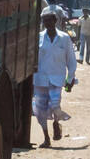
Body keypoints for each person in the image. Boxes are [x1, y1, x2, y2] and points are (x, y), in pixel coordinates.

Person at [32, 8, 77, 148]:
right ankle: (46, 137)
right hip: (40, 79)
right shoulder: (38, 37)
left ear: (55, 21)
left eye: (49, 21)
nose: (47, 23)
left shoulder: (64, 38)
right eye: (44, 21)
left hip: (57, 79)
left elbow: (71, 60)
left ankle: (56, 123)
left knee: (55, 105)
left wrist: (70, 80)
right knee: (39, 110)